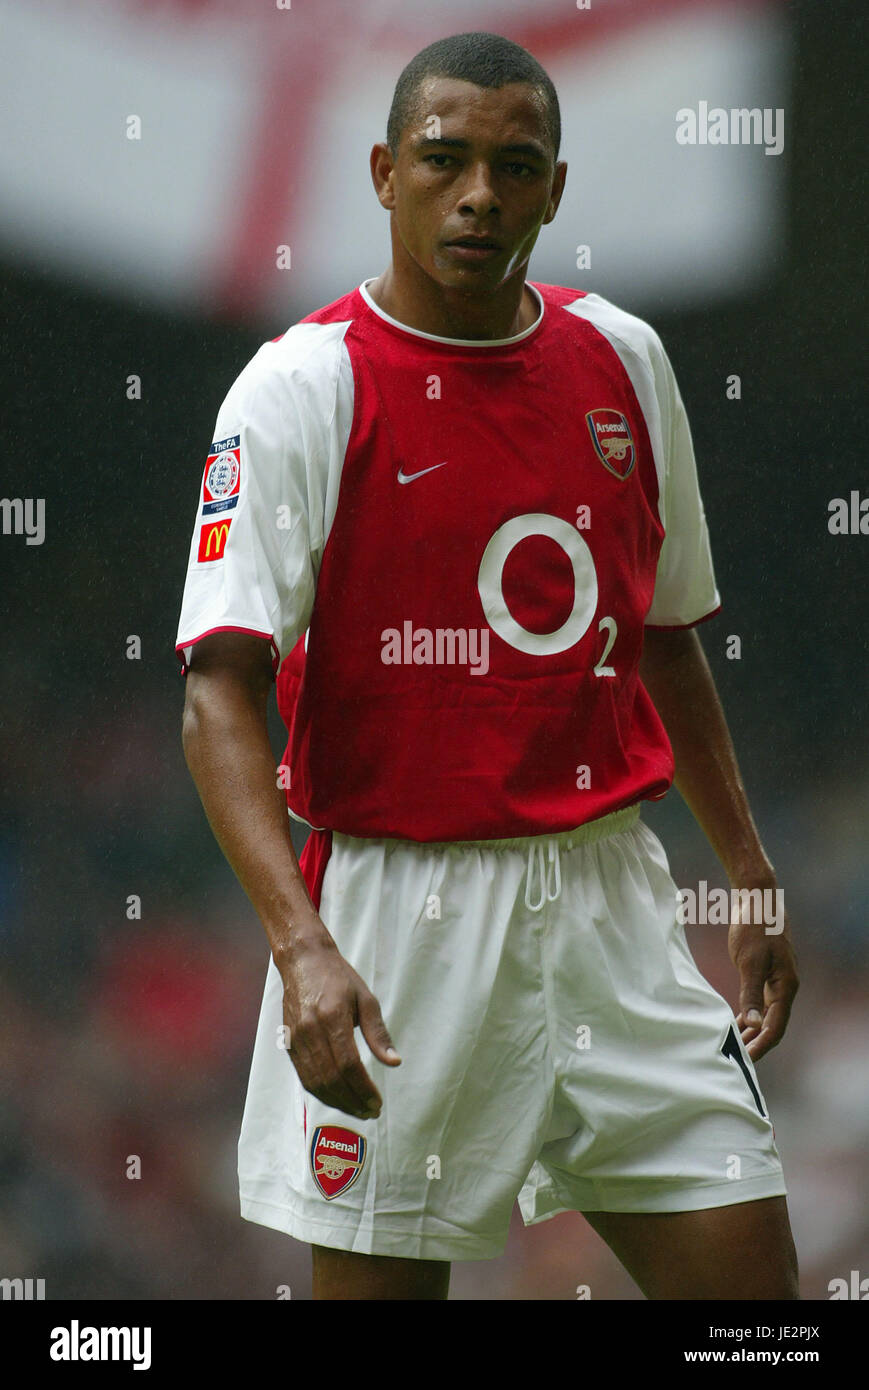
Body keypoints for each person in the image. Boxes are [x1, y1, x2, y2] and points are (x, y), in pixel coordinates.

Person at [175, 31, 799, 1301]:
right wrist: (298, 947)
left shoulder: (623, 359)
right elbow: (215, 691)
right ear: (381, 172)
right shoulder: (300, 387)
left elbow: (662, 635)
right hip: (399, 925)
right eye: (442, 160)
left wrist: (745, 866)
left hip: (614, 912)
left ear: (555, 188)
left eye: (513, 168)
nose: (478, 195)